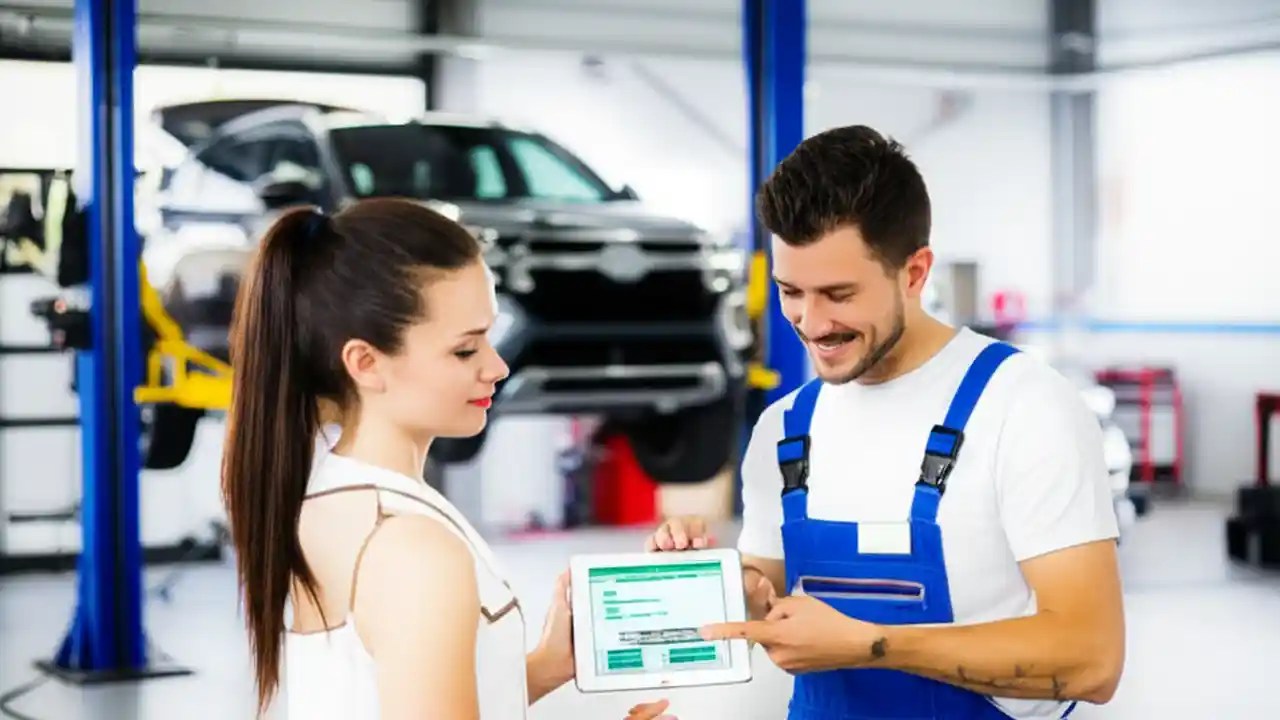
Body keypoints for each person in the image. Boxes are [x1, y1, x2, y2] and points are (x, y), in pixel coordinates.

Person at [645, 125, 1126, 719]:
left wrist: (873, 645)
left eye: (839, 294)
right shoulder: (784, 429)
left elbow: (1092, 658)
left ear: (915, 273)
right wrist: (715, 585)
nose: (811, 322)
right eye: (790, 291)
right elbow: (764, 602)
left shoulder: (1024, 408)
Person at [221, 198, 676, 720]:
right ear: (366, 363)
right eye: (466, 350)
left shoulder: (332, 495)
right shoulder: (411, 546)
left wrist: (545, 666)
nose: (497, 366)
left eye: (491, 338)